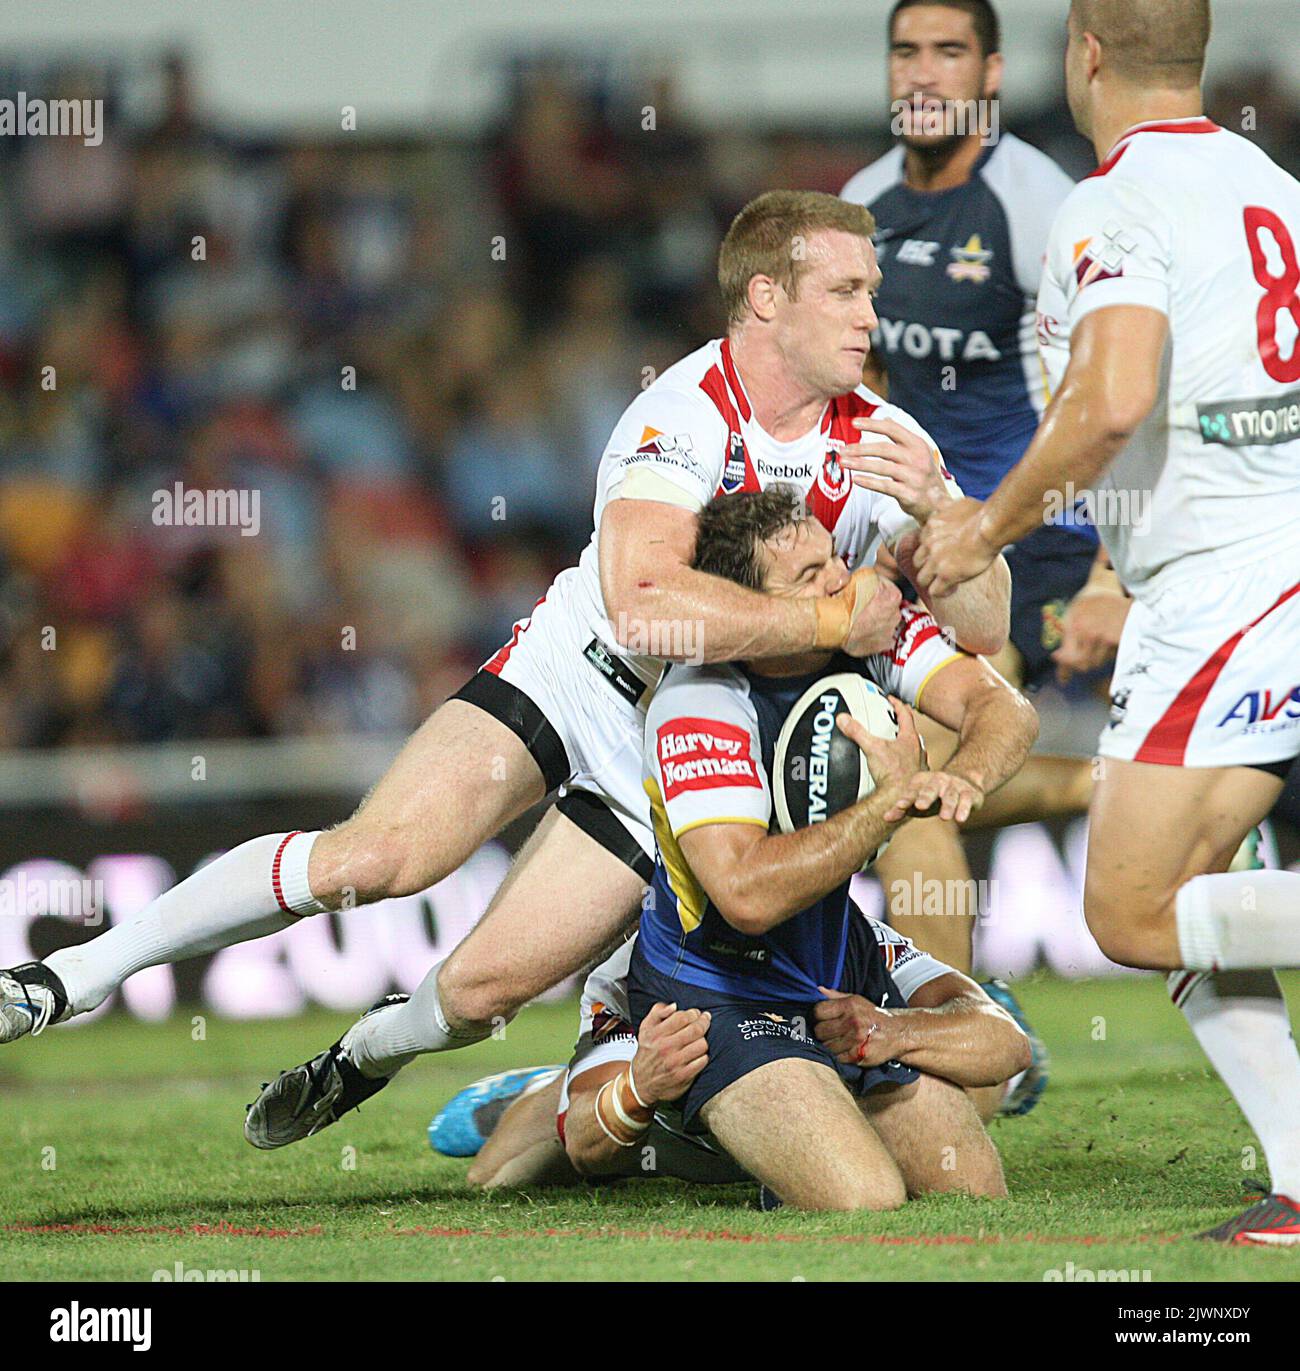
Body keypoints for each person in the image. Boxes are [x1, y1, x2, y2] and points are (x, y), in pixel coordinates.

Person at [0, 193, 1013, 1137]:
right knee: (377, 861)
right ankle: (72, 977)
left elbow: (985, 621)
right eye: (844, 290)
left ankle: (362, 1054)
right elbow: (643, 605)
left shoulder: (886, 443)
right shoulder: (682, 414)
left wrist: (944, 515)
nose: (869, 314)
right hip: (578, 677)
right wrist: (839, 609)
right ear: (764, 298)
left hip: (682, 753)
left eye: (871, 291)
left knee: (481, 997)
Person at [907, 0, 1300, 1245]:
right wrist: (1117, 573)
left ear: (1083, 53)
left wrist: (985, 530)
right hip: (1228, 569)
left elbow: (1116, 394)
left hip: (1234, 587)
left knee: (1130, 910)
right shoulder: (1272, 185)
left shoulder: (1111, 200)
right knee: (1184, 892)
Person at [608, 485, 1034, 1210]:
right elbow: (743, 895)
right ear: (759, 610)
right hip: (718, 988)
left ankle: (797, 1109)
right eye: (809, 579)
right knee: (865, 1197)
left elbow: (1003, 708)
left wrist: (964, 774)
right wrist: (890, 803)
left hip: (833, 963)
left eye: (833, 559)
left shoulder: (868, 633)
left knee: (972, 1186)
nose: (841, 582)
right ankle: (694, 1134)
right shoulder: (701, 701)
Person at [840, 0, 1119, 989]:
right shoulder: (863, 201)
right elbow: (860, 383)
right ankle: (1117, 795)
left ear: (991, 74)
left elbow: (1114, 395)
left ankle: (950, 1035)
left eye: (947, 53)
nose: (922, 74)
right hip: (925, 531)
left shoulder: (1038, 206)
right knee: (884, 766)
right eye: (905, 52)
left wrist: (1110, 574)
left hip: (1034, 528)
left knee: (913, 750)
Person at [434, 916, 1026, 1194]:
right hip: (676, 1140)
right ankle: (547, 1088)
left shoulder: (858, 939)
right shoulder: (635, 973)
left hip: (820, 1111)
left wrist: (894, 1029)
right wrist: (637, 1087)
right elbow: (589, 1147)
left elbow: (1004, 1041)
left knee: (974, 1082)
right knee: (501, 1179)